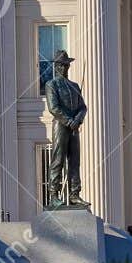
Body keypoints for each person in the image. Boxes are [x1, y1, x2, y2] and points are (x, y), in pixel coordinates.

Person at [43, 52, 88, 207]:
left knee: (75, 161)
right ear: (56, 66)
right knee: (58, 159)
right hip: (61, 125)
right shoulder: (51, 85)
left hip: (74, 126)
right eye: (61, 64)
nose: (64, 67)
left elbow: (83, 107)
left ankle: (74, 194)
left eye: (66, 64)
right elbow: (53, 108)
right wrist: (69, 121)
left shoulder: (74, 86)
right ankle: (53, 194)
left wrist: (77, 120)